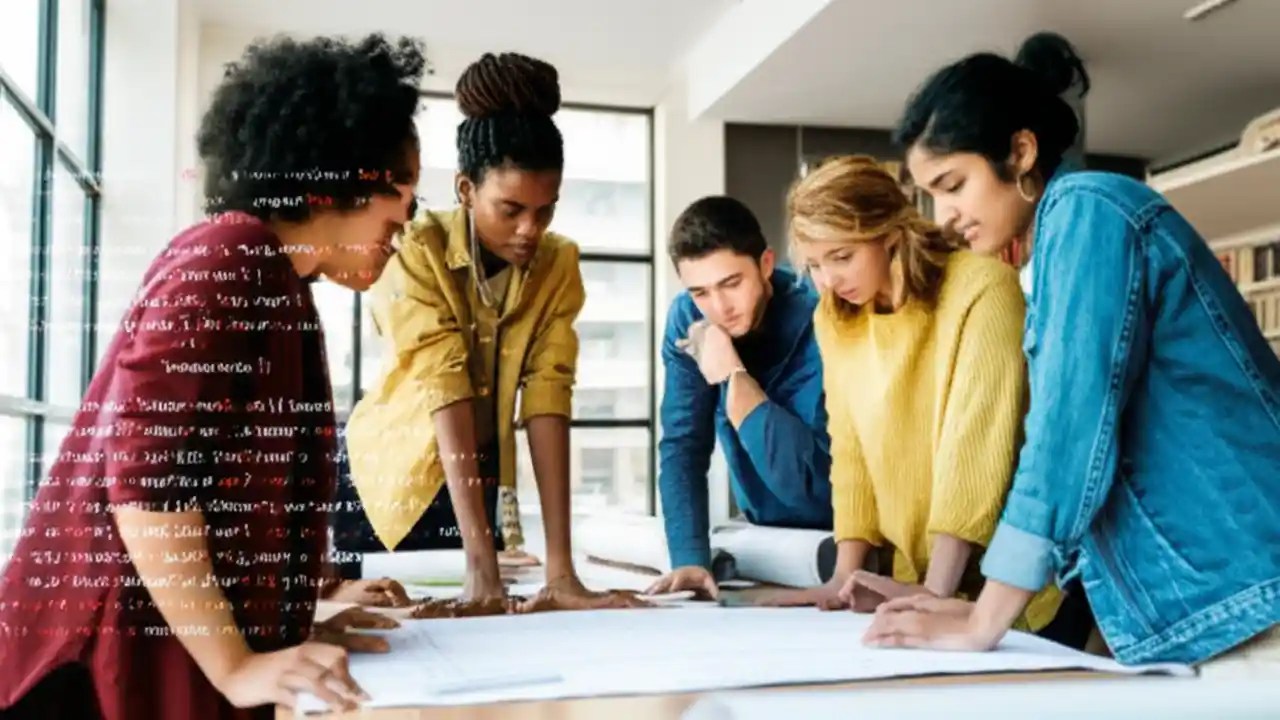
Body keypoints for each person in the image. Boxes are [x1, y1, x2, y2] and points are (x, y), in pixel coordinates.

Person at [0, 33, 426, 719]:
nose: (406, 215)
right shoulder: (232, 258)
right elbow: (149, 486)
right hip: (108, 670)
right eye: (401, 190)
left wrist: (299, 623)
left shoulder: (274, 280)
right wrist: (236, 665)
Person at [865, 33, 1280, 671]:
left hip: (1251, 590)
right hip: (1220, 597)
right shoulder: (1062, 235)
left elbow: (1067, 431)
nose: (943, 215)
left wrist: (983, 619)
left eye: (953, 185)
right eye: (932, 195)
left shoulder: (1091, 212)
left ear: (1020, 152)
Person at [341, 52, 643, 615]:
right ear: (465, 189)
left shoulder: (558, 264)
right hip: (389, 486)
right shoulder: (417, 249)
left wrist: (561, 573)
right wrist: (482, 571)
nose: (530, 229)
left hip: (477, 483)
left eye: (545, 211)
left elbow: (549, 397)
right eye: (511, 209)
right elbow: (445, 388)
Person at [762, 155, 1076, 642]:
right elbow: (850, 448)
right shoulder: (834, 315)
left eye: (842, 257)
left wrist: (935, 592)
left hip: (1006, 593)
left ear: (890, 232)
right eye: (815, 265)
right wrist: (843, 576)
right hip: (913, 580)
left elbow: (974, 449)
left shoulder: (982, 288)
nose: (829, 282)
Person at [647, 196, 832, 599]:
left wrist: (733, 375)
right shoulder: (689, 318)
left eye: (732, 284)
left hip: (832, 533)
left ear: (765, 264)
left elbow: (811, 490)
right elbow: (682, 444)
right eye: (700, 292)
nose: (720, 308)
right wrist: (690, 559)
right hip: (766, 541)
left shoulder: (822, 317)